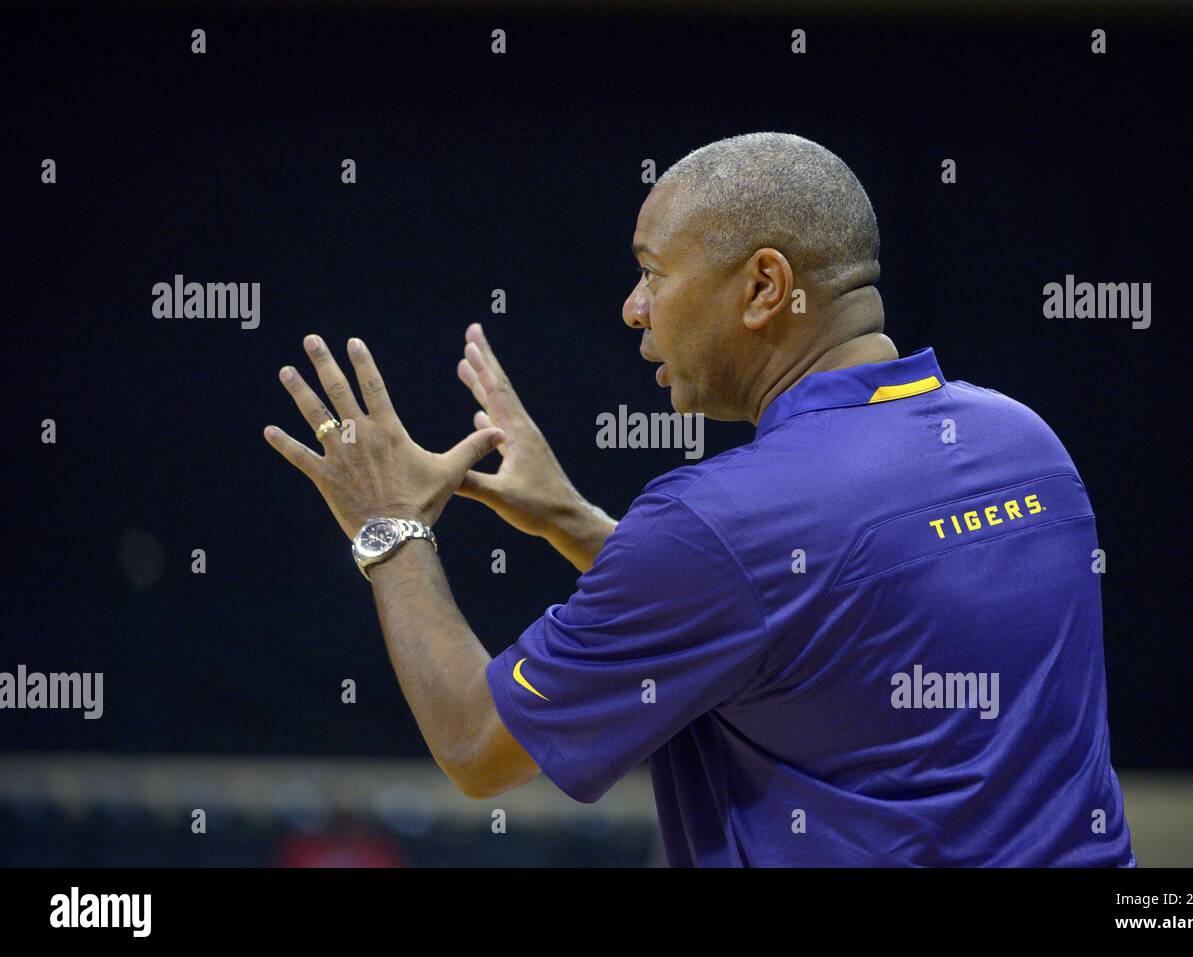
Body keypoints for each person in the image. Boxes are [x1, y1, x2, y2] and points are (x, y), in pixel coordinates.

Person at [263, 132, 1134, 867]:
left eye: (652, 272)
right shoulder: (1028, 443)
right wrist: (570, 518)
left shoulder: (721, 519)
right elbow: (804, 636)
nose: (633, 307)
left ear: (763, 287)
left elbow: (476, 745)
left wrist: (393, 528)